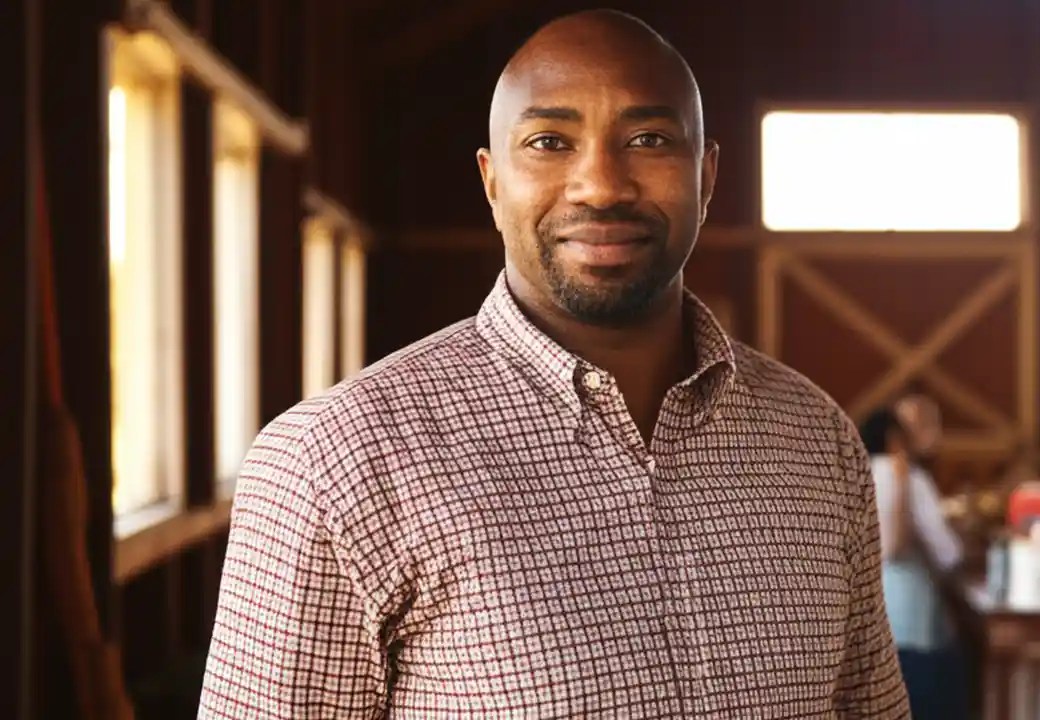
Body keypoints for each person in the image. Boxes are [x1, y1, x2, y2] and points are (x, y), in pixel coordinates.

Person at [198, 9, 908, 718]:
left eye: (649, 139)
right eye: (548, 142)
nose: (600, 186)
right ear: (492, 181)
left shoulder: (817, 441)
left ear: (707, 175)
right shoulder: (333, 462)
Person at [860, 405, 966, 720]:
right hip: (913, 612)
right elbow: (946, 551)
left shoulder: (856, 473)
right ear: (895, 438)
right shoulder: (909, 478)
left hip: (870, 615)